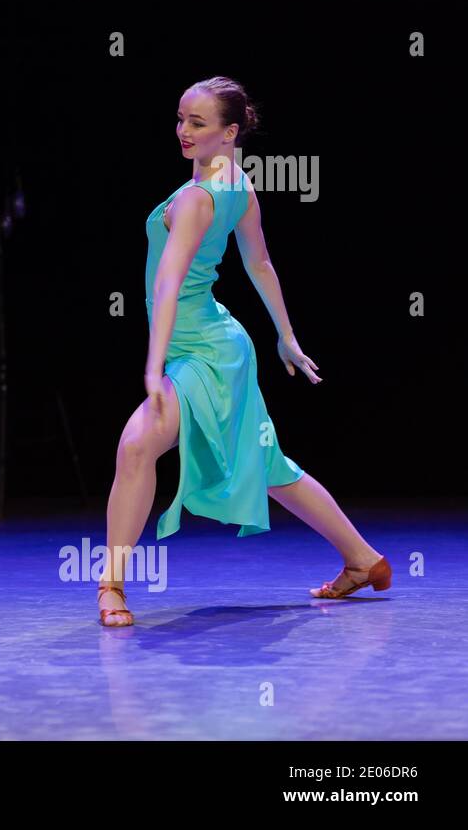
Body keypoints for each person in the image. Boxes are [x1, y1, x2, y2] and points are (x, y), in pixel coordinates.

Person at [97, 77, 390, 627]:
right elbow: (258, 263)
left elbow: (170, 282)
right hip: (220, 342)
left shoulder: (195, 197)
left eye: (198, 123)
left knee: (137, 446)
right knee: (266, 463)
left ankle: (110, 585)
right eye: (180, 118)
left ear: (230, 132)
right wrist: (285, 335)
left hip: (200, 351)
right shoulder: (239, 183)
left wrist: (154, 366)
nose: (183, 131)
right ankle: (364, 560)